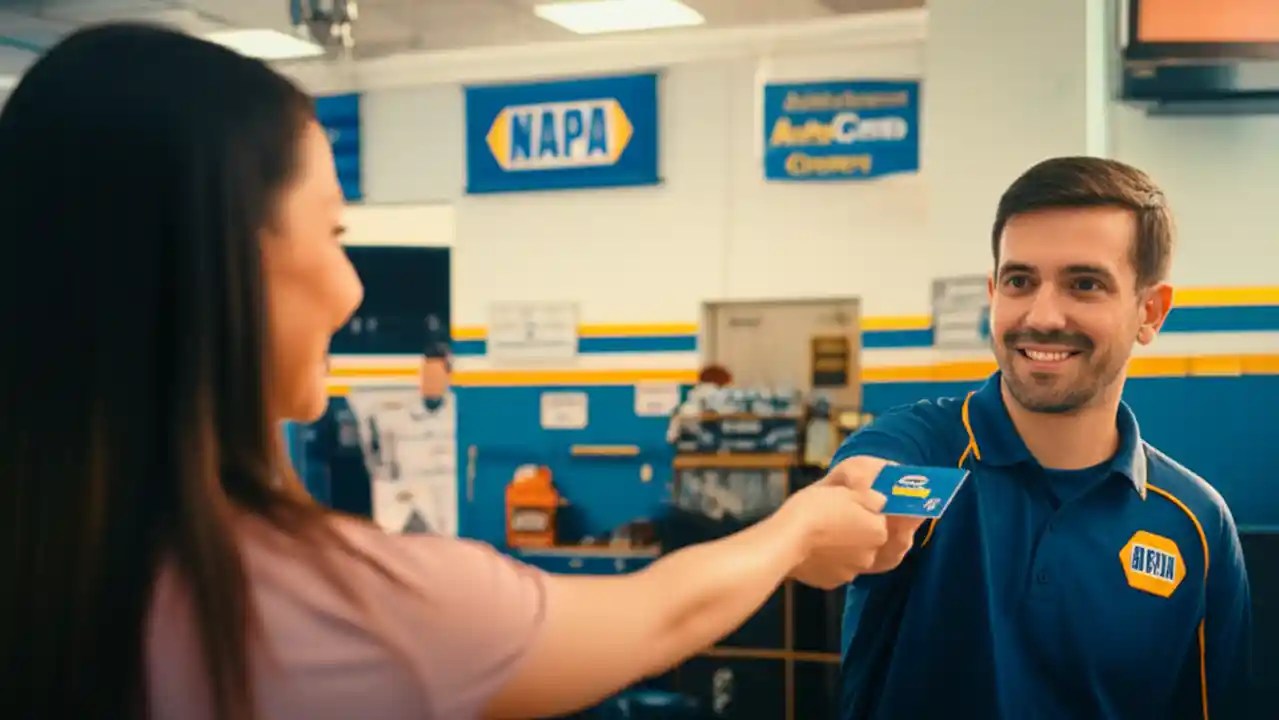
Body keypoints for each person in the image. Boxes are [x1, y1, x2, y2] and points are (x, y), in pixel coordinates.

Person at [0, 23, 910, 720]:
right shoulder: (335, 603)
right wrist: (796, 532)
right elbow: (653, 619)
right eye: (334, 232)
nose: (353, 287)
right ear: (223, 265)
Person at [814, 157, 1254, 719]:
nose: (1043, 316)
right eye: (1021, 281)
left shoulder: (1196, 524)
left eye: (1085, 284)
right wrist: (843, 512)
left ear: (1150, 310)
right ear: (994, 291)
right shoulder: (926, 445)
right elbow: (863, 480)